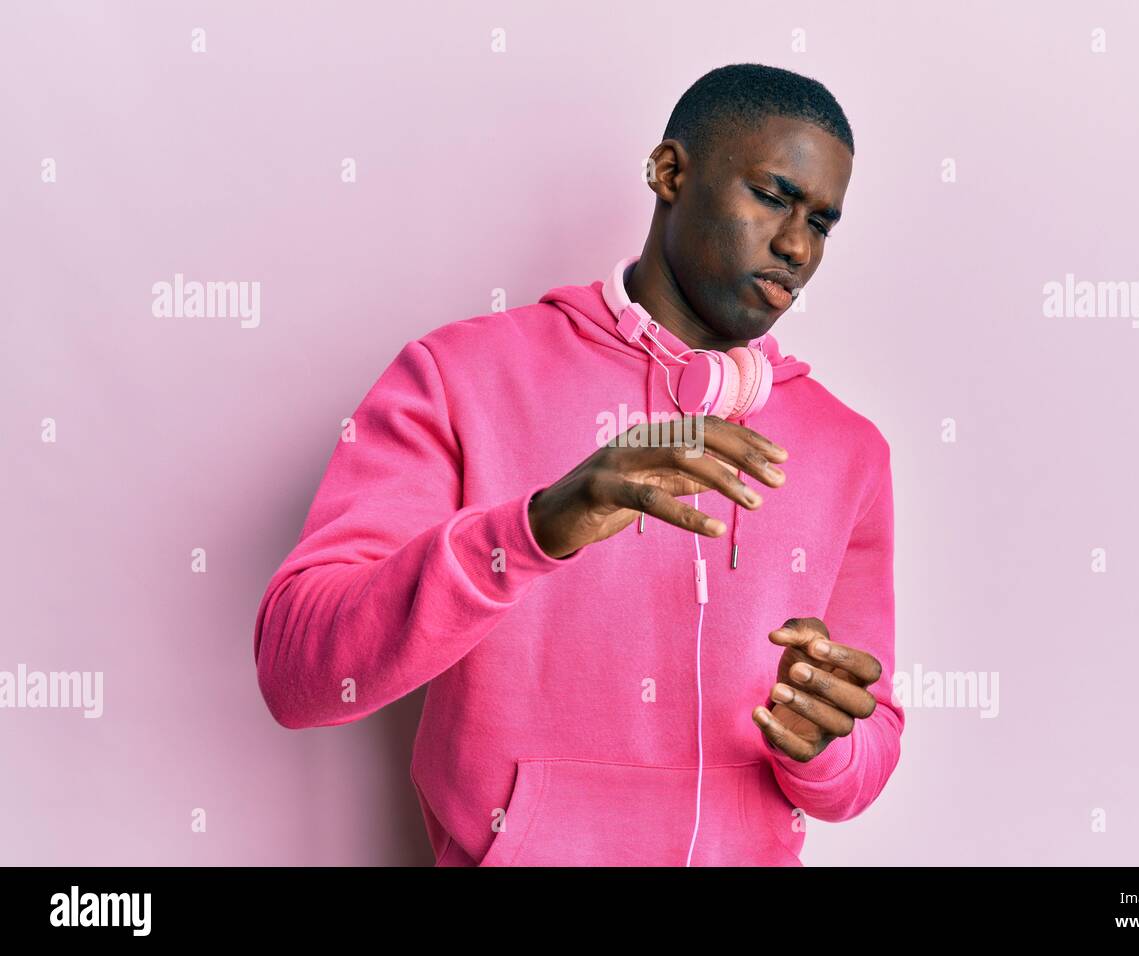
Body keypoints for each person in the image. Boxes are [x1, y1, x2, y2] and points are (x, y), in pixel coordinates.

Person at [253, 62, 903, 867]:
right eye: (772, 196)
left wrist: (823, 747)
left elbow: (865, 759)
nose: (796, 246)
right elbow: (298, 673)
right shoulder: (460, 377)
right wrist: (534, 529)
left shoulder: (849, 449)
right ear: (671, 173)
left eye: (823, 222)